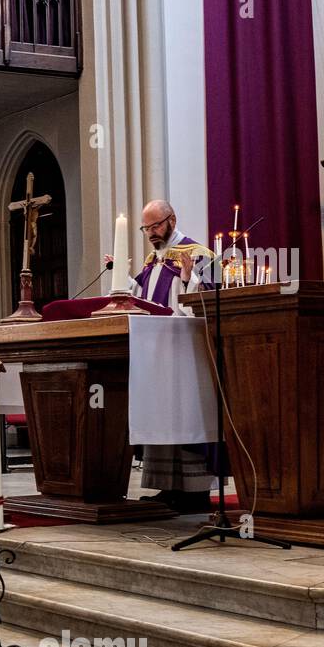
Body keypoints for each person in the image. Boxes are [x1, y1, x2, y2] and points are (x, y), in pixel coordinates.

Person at [133, 200, 217, 512]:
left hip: (186, 355)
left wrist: (187, 278)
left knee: (186, 417)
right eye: (146, 228)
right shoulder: (151, 259)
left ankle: (195, 492)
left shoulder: (200, 254)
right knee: (161, 418)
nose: (151, 233)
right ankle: (167, 486)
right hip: (157, 355)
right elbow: (145, 299)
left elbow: (209, 303)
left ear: (172, 220)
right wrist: (122, 281)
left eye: (156, 226)